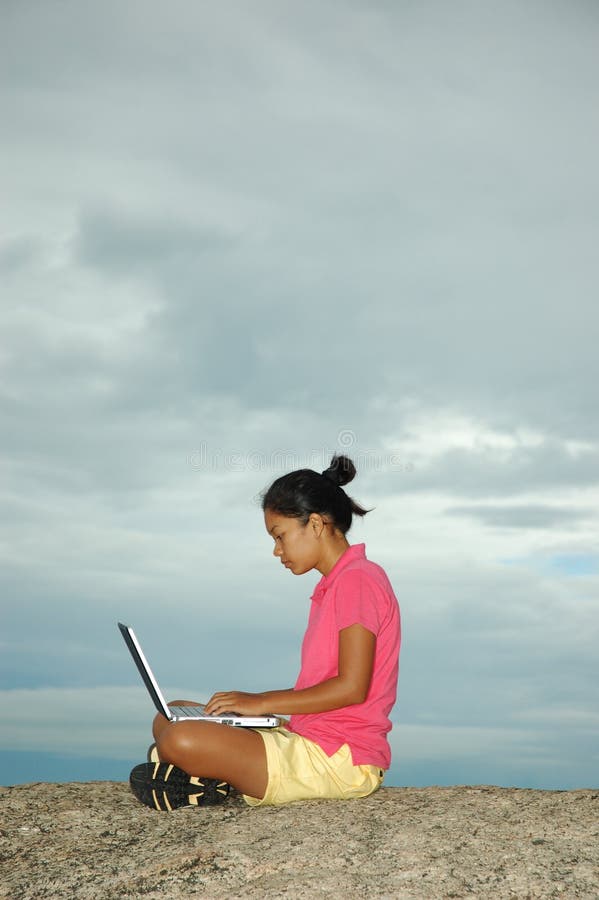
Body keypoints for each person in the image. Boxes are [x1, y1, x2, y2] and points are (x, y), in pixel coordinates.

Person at [129, 453, 401, 810]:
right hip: (309, 736)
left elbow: (351, 687)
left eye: (280, 536)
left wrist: (259, 702)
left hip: (340, 760)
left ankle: (203, 776)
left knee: (180, 738)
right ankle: (205, 778)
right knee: (171, 713)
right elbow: (324, 686)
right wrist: (253, 711)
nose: (277, 551)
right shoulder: (335, 585)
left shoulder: (358, 580)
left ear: (315, 524)